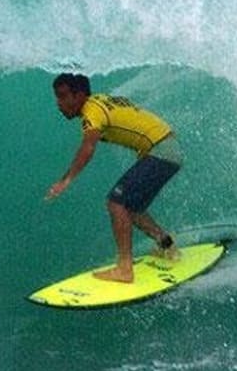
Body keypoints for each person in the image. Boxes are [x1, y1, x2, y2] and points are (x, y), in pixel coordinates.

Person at [45, 72, 182, 283]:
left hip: (160, 149)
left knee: (116, 203)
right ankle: (167, 245)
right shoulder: (100, 101)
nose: (59, 103)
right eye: (57, 97)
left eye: (63, 96)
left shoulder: (91, 111)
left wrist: (66, 180)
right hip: (167, 148)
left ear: (79, 95)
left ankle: (125, 269)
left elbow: (88, 147)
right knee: (131, 208)